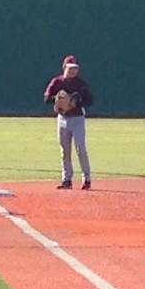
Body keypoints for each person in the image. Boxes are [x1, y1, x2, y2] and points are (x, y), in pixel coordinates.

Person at [43, 54, 94, 189]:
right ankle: (66, 180)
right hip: (62, 119)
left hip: (77, 119)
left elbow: (90, 100)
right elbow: (46, 97)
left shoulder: (81, 84)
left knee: (80, 148)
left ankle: (87, 179)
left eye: (75, 68)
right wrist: (56, 99)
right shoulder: (57, 81)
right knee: (65, 150)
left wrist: (77, 102)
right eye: (70, 68)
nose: (73, 71)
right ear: (64, 67)